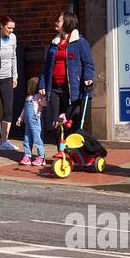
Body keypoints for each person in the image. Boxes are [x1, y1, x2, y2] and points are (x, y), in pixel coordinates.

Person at [40, 11, 95, 160]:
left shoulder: (80, 42)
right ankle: (62, 153)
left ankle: (74, 153)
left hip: (73, 89)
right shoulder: (54, 44)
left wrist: (88, 77)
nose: (56, 23)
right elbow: (46, 67)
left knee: (71, 123)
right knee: (57, 122)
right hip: (55, 88)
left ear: (67, 23)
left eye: (59, 20)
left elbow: (88, 64)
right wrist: (42, 84)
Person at [0, 16, 19, 151]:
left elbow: (14, 56)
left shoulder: (13, 38)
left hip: (7, 77)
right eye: (9, 28)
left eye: (13, 28)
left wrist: (15, 75)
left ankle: (4, 141)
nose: (11, 31)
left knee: (8, 109)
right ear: (1, 25)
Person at [16, 77, 45, 167]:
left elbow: (45, 104)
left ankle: (41, 157)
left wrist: (42, 98)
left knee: (37, 139)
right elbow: (25, 110)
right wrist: (20, 118)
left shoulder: (38, 97)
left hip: (35, 121)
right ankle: (27, 156)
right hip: (28, 122)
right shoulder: (28, 98)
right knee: (27, 139)